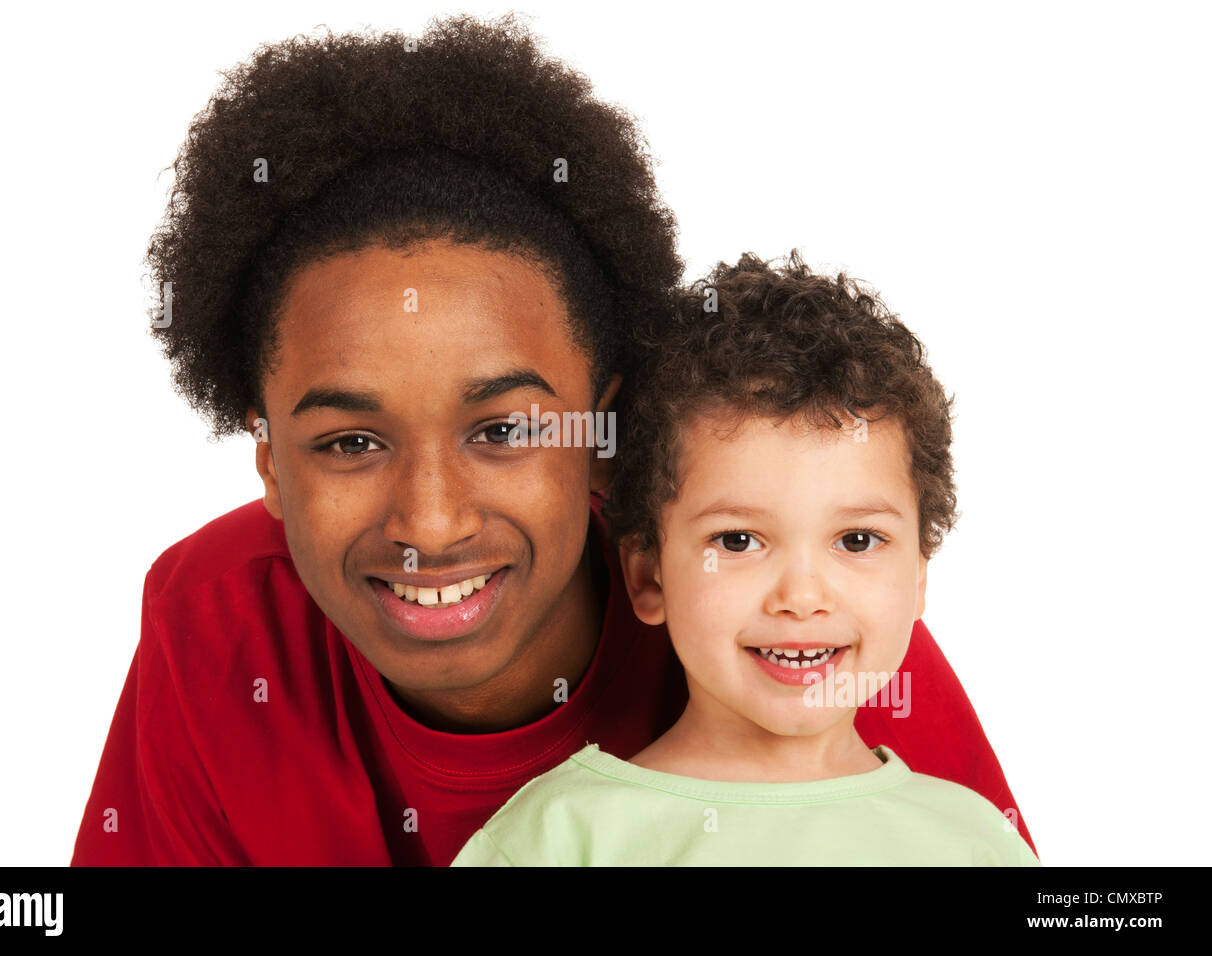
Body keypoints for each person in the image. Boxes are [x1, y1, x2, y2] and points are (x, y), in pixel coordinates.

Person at [71, 16, 1035, 866]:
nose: (432, 520)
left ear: (601, 439)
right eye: (350, 443)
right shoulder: (212, 627)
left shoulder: (809, 632)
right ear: (270, 461)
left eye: (504, 429)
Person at [452, 252, 1042, 865]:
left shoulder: (974, 841)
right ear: (649, 576)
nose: (802, 597)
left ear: (919, 576)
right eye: (737, 541)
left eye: (857, 540)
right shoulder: (557, 838)